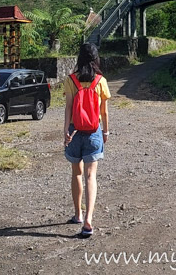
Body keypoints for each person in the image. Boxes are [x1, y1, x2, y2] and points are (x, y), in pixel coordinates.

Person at [63, 42, 110, 238]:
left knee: (76, 174)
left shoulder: (71, 80)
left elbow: (67, 107)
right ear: (95, 58)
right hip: (93, 131)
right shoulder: (100, 81)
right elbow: (104, 112)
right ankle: (89, 219)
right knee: (91, 176)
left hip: (74, 131)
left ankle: (78, 214)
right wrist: (106, 132)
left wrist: (65, 130)